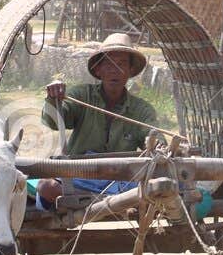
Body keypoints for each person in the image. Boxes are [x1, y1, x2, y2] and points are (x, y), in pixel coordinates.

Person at [35, 32, 160, 208]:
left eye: (121, 64)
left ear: (131, 71)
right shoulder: (81, 95)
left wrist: (158, 145)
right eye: (108, 63)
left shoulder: (142, 110)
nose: (114, 70)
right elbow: (54, 122)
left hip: (121, 179)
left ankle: (92, 201)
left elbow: (153, 137)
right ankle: (111, 203)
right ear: (98, 70)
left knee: (162, 186)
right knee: (47, 187)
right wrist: (53, 99)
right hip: (81, 175)